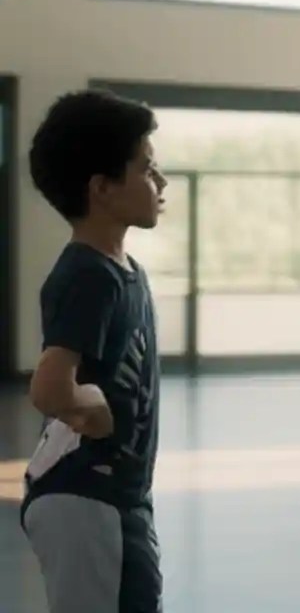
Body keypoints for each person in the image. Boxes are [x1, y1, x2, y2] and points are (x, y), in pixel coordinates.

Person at [21, 90, 168, 613]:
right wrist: (94, 407)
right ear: (102, 189)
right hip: (84, 498)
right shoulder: (87, 276)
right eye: (148, 170)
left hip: (121, 496)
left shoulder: (122, 271)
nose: (162, 182)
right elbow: (49, 386)